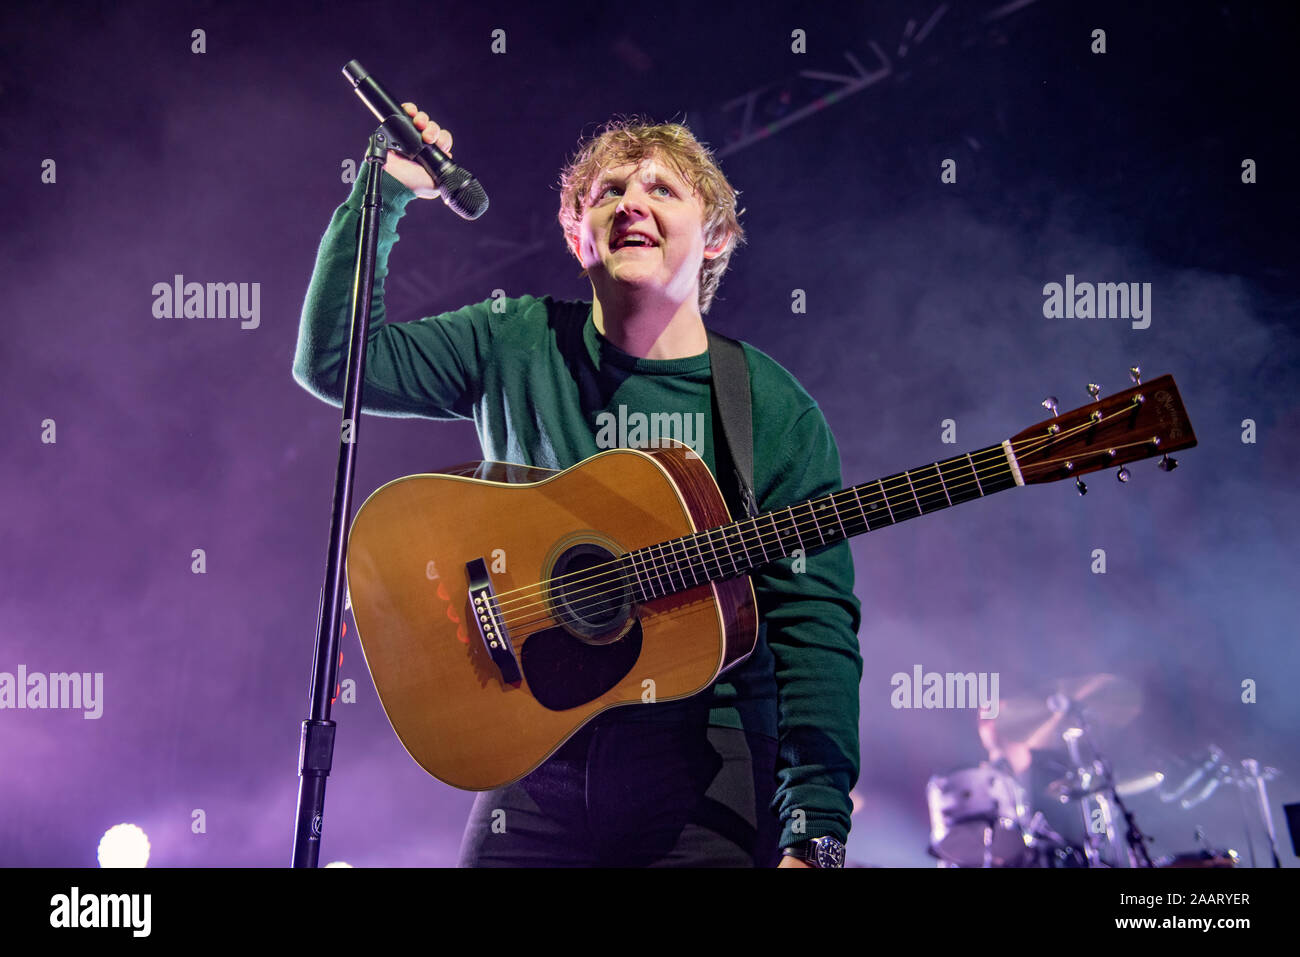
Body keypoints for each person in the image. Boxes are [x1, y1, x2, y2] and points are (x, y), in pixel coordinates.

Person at [293, 104, 863, 867]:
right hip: (534, 753)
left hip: (707, 764)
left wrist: (814, 831)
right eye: (608, 191)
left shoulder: (772, 409)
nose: (632, 200)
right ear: (577, 236)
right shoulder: (514, 338)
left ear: (717, 238)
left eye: (663, 189)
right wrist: (386, 192)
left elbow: (814, 625)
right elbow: (335, 362)